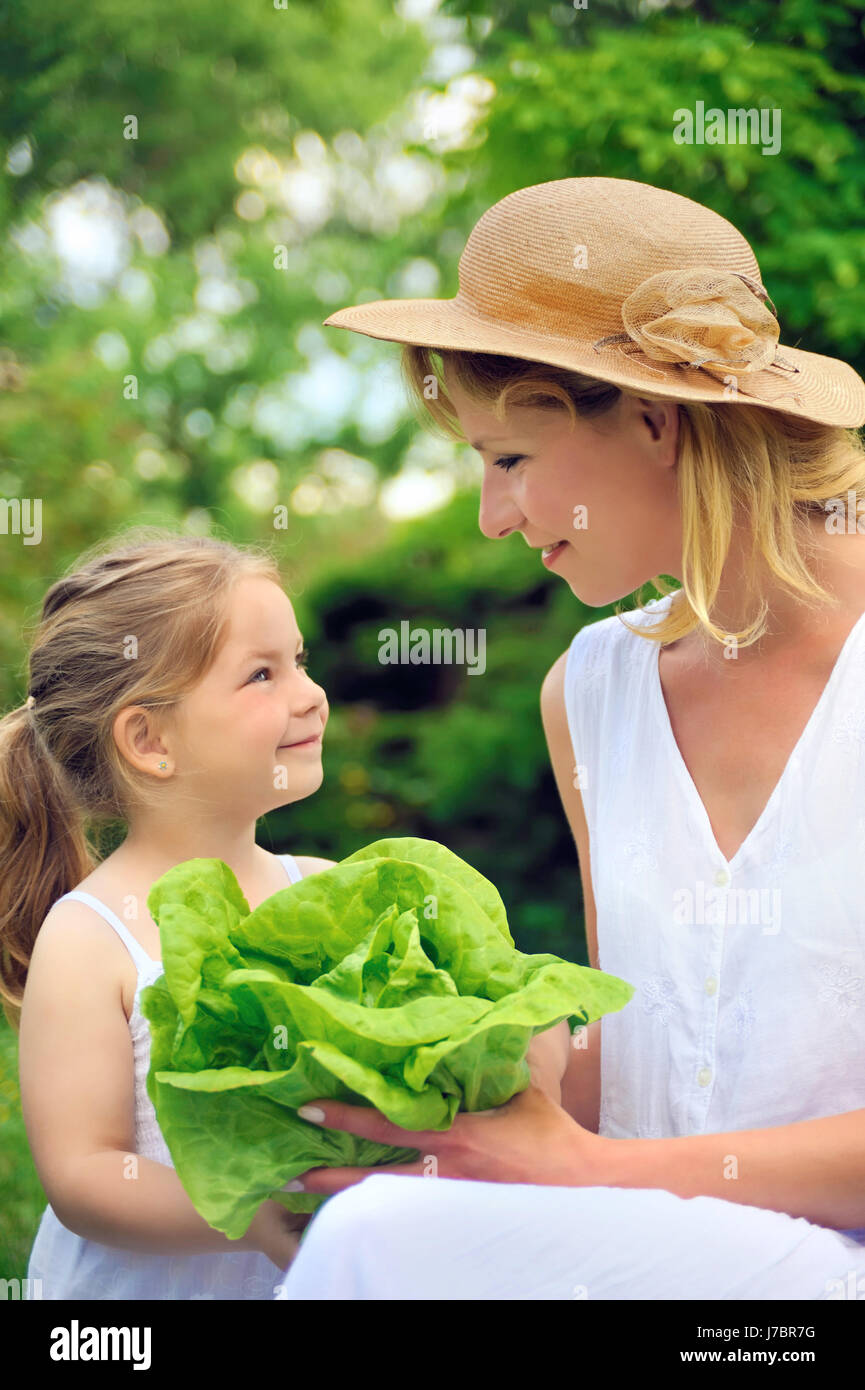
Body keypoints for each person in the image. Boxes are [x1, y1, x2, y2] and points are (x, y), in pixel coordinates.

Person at [272, 177, 865, 1300]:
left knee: (371, 1249)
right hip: (657, 1257)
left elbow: (593, 1156)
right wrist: (473, 1069)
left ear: (652, 420)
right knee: (380, 1216)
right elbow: (628, 1040)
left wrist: (590, 1169)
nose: (495, 518)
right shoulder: (591, 688)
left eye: (509, 459)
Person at [2, 530, 338, 1298]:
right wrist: (249, 1210)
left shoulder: (322, 892)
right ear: (149, 739)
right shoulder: (92, 937)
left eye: (301, 661)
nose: (309, 693)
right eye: (262, 674)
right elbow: (85, 1174)